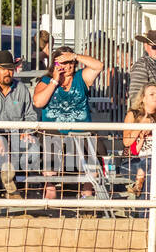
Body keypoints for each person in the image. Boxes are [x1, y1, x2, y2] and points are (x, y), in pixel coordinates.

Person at [32, 47, 104, 196]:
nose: (68, 66)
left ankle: (87, 195)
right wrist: (54, 81)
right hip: (54, 131)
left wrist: (76, 56)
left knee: (93, 155)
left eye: (70, 62)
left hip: (81, 131)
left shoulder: (81, 78)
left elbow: (99, 66)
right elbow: (38, 102)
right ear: (55, 64)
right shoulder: (46, 80)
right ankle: (50, 192)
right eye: (63, 63)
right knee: (49, 156)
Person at [0, 50, 39, 199]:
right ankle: (13, 190)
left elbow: (30, 114)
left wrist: (27, 130)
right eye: (4, 69)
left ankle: (14, 186)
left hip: (16, 134)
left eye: (10, 69)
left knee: (34, 148)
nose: (8, 73)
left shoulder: (21, 89)